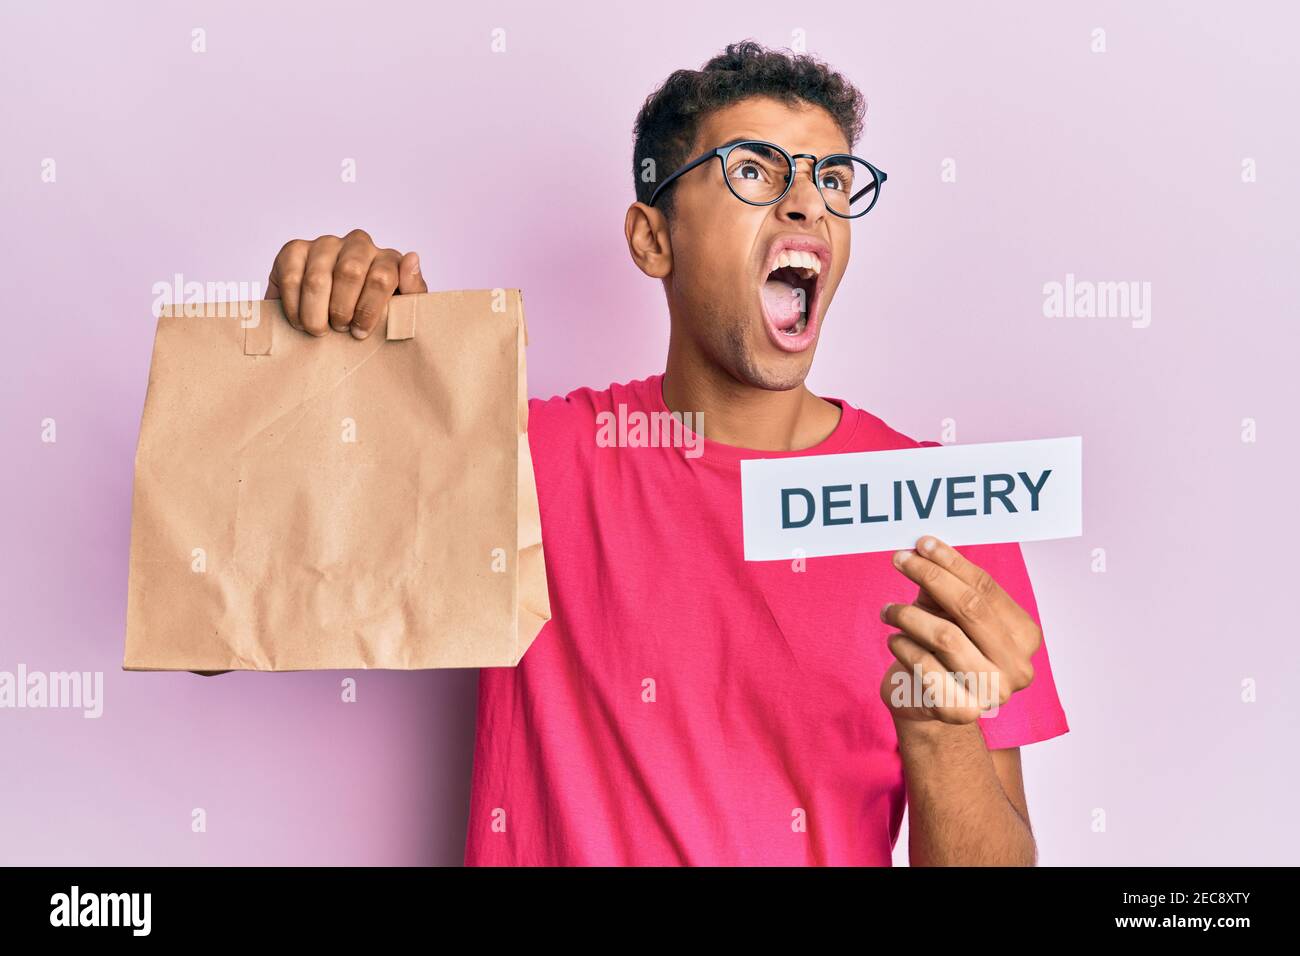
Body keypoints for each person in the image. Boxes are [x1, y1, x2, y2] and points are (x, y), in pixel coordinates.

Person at [261, 41, 1068, 866]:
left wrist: (939, 735)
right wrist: (335, 359)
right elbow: (244, 607)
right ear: (653, 240)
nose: (807, 205)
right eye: (755, 171)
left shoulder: (938, 513)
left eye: (830, 179)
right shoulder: (530, 464)